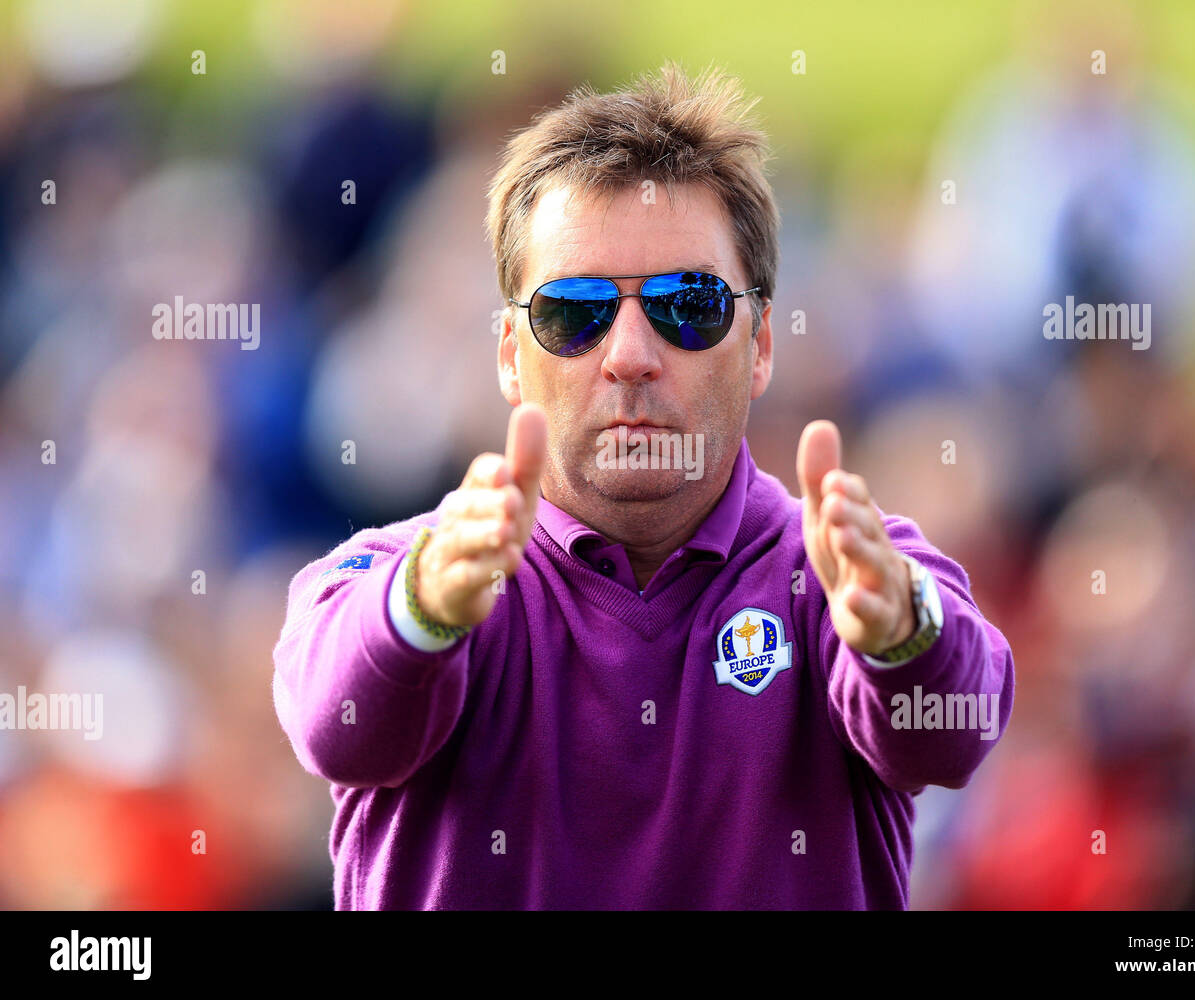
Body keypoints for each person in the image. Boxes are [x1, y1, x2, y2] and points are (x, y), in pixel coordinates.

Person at [272, 62, 1014, 909]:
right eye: (572, 311)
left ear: (762, 343)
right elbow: (339, 726)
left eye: (688, 305)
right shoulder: (402, 576)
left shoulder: (850, 572)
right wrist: (421, 613)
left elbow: (958, 733)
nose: (628, 354)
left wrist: (899, 637)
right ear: (512, 356)